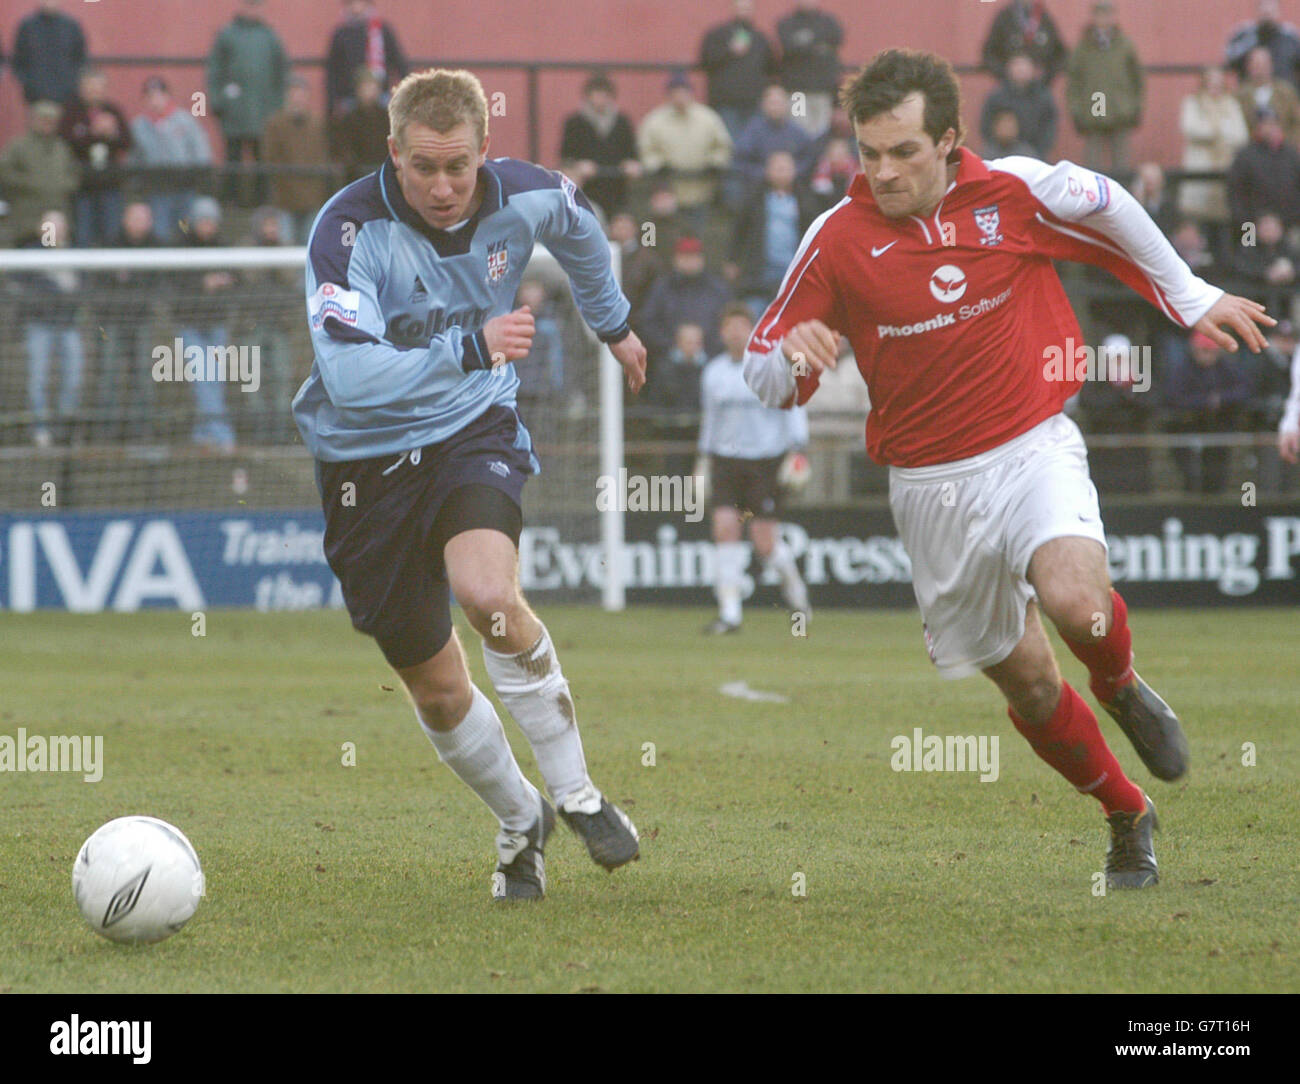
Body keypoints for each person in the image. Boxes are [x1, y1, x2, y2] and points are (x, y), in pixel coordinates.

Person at [742, 48, 1274, 888]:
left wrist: (1191, 294)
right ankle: (1126, 811)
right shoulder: (835, 240)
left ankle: (1123, 684)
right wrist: (794, 357)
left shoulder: (1013, 191)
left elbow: (1110, 204)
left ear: (949, 141)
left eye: (903, 152)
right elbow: (764, 373)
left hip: (1032, 444)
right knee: (1027, 685)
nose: (882, 171)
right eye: (868, 153)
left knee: (1078, 605)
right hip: (927, 489)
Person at [292, 68, 647, 901]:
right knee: (440, 689)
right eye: (424, 167)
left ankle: (579, 792)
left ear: (485, 151)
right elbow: (347, 377)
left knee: (489, 593)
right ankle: (523, 820)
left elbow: (583, 229)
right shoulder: (346, 231)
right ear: (393, 154)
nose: (444, 186)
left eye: (459, 166)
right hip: (363, 467)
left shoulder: (525, 195)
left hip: (469, 430)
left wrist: (614, 323)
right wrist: (469, 347)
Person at [699, 303, 810, 633]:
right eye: (729, 327)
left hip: (766, 460)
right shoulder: (713, 372)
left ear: (752, 330)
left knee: (764, 542)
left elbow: (793, 405)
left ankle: (797, 593)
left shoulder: (769, 367)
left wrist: (798, 449)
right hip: (725, 461)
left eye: (741, 326)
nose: (735, 333)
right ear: (721, 333)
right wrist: (703, 459)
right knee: (724, 529)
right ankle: (730, 614)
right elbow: (710, 419)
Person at [207, 0, 288, 206]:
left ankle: (262, 202)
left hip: (263, 111)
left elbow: (282, 73)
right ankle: (231, 200)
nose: (253, 9)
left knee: (262, 158)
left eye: (257, 5)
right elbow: (214, 71)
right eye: (250, 4)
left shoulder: (270, 37)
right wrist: (217, 102)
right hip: (234, 111)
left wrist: (277, 107)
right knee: (232, 158)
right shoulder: (227, 34)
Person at [177, 197, 239, 453]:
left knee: (214, 379)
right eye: (202, 220)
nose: (207, 226)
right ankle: (223, 435)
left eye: (210, 221)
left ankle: (203, 432)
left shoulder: (224, 247)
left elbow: (239, 278)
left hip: (216, 323)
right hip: (189, 323)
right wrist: (203, 284)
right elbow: (175, 285)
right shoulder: (179, 247)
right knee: (202, 378)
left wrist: (227, 282)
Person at [727, 150, 822, 314]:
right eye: (777, 168)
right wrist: (733, 260)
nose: (781, 173)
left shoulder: (805, 200)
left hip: (793, 273)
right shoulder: (754, 199)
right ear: (767, 171)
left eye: (785, 168)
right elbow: (739, 232)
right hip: (759, 275)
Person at [96, 201, 161, 441]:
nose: (139, 223)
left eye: (144, 218)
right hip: (112, 320)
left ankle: (143, 430)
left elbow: (156, 283)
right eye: (135, 218)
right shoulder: (109, 244)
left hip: (141, 320)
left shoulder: (156, 246)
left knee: (143, 376)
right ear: (125, 219)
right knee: (109, 375)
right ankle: (106, 430)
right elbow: (100, 282)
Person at [20, 210, 83, 448]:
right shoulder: (30, 254)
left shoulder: (76, 252)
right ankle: (40, 428)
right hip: (39, 326)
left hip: (68, 324)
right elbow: (29, 286)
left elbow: (82, 285)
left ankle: (65, 427)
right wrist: (57, 289)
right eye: (49, 226)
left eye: (59, 226)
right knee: (38, 378)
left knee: (73, 377)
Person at [1162, 332, 1255, 494]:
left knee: (1218, 473)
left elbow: (1244, 390)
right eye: (1203, 351)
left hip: (1218, 427)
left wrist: (1220, 399)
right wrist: (1204, 402)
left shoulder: (1225, 367)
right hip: (1188, 427)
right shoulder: (1182, 368)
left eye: (1211, 351)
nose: (1208, 356)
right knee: (1190, 476)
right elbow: (1174, 397)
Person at [637, 71, 733, 226]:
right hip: (668, 194)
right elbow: (646, 150)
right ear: (668, 95)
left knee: (698, 241)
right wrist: (658, 165)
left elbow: (723, 146)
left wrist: (715, 163)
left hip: (702, 192)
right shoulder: (654, 121)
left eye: (684, 92)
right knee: (668, 240)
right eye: (675, 93)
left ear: (691, 93)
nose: (680, 97)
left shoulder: (708, 118)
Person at [1065, 1, 1144, 179]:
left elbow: (1138, 80)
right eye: (1100, 15)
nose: (1104, 19)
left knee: (1122, 167)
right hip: (1093, 112)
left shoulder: (1125, 45)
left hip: (1120, 113)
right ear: (1093, 18)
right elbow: (1073, 82)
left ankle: (1121, 202)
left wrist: (1134, 107)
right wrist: (1077, 111)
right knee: (1092, 167)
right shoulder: (1083, 47)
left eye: (1108, 14)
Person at [129, 76, 213, 242]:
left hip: (184, 186)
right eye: (149, 97)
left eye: (158, 95)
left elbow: (200, 149)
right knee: (161, 231)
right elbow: (134, 157)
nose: (154, 101)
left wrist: (198, 174)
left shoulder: (185, 120)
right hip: (157, 188)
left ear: (167, 96)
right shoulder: (139, 125)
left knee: (184, 226)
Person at [59, 68, 133, 248]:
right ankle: (84, 276)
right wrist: (93, 133)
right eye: (90, 88)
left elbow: (128, 142)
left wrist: (112, 133)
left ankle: (110, 276)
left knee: (112, 235)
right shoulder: (72, 112)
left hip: (110, 185)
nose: (94, 93)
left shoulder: (113, 111)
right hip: (82, 185)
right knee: (83, 235)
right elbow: (65, 141)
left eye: (98, 88)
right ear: (82, 89)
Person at [637, 235, 733, 364]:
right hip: (667, 360)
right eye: (685, 256)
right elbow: (648, 322)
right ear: (675, 259)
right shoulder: (662, 287)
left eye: (694, 256)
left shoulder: (718, 289)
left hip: (712, 359)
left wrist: (703, 346)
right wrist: (674, 344)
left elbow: (728, 323)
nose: (689, 261)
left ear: (702, 259)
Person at [558, 72, 640, 217]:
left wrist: (630, 165)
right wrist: (578, 166)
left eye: (604, 94)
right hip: (586, 189)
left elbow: (632, 153)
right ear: (588, 96)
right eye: (596, 93)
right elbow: (565, 156)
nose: (600, 98)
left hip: (617, 188)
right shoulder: (574, 122)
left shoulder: (622, 122)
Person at [0, 100, 80, 246]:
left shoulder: (61, 148)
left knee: (52, 236)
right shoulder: (19, 146)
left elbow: (74, 173)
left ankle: (53, 260)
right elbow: (5, 173)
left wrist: (64, 184)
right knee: (41, 242)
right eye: (43, 119)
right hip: (27, 214)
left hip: (58, 210)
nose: (47, 124)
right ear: (33, 120)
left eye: (51, 120)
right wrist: (30, 183)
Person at [263, 75, 333, 243]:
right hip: (285, 199)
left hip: (314, 197)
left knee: (311, 246)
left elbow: (326, 156)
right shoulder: (275, 124)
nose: (297, 100)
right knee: (286, 248)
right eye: (294, 95)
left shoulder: (319, 124)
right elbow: (270, 158)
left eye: (301, 95)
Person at [1178, 66, 1249, 225]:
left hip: (1225, 167)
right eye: (1211, 81)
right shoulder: (1193, 102)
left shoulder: (1231, 104)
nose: (1215, 86)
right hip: (1200, 167)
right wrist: (1218, 132)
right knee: (1197, 218)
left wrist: (1218, 134)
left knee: (1224, 218)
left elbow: (1241, 135)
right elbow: (1190, 128)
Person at [698, 0, 777, 141]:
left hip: (754, 103)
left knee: (753, 145)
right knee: (729, 145)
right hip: (726, 104)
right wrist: (729, 51)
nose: (744, 12)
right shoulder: (717, 35)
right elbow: (705, 61)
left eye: (747, 8)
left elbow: (771, 68)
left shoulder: (760, 38)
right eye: (740, 8)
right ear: (732, 9)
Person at [727, 83, 817, 207]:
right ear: (763, 105)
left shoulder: (797, 132)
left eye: (779, 103)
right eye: (772, 103)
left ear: (787, 105)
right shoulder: (752, 131)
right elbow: (740, 161)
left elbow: (809, 159)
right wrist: (766, 174)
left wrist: (792, 172)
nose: (775, 107)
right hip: (759, 191)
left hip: (794, 190)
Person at [325, 0, 409, 118]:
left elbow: (399, 63)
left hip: (381, 96)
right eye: (352, 3)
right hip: (350, 98)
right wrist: (332, 103)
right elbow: (332, 71)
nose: (356, 7)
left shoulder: (382, 30)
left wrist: (407, 93)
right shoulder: (340, 34)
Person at [776, 1, 844, 137]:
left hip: (822, 91)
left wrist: (803, 43)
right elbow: (789, 47)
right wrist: (817, 46)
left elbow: (837, 39)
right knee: (796, 128)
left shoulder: (828, 22)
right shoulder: (787, 23)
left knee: (821, 131)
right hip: (796, 92)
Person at [1227, 107, 1300, 229]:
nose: (1271, 129)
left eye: (1274, 124)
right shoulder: (1245, 156)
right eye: (1266, 124)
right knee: (1248, 244)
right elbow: (1235, 194)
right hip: (1250, 225)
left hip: (1289, 224)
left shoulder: (1292, 155)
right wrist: (1253, 223)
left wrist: (1284, 222)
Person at [979, 52, 1058, 160]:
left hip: (1035, 153)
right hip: (999, 153)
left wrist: (1040, 150)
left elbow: (1050, 125)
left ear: (1033, 69)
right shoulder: (997, 96)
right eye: (1017, 65)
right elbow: (985, 123)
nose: (1021, 70)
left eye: (1025, 65)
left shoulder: (1043, 97)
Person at [10, 0, 85, 105]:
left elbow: (81, 58)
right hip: (35, 97)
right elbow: (18, 60)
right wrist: (29, 84)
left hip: (68, 97)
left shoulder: (72, 26)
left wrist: (72, 82)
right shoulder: (27, 26)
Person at [981, 0, 1068, 85]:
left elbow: (1061, 54)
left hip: (1040, 90)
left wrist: (1045, 75)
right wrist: (1006, 72)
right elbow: (988, 53)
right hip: (1008, 91)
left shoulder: (1044, 18)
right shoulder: (1004, 17)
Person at [330, 68, 391, 182]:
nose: (369, 91)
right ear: (357, 90)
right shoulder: (348, 118)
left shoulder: (387, 118)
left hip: (383, 175)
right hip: (356, 177)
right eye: (365, 86)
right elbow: (342, 146)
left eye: (373, 86)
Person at [1226, 0, 1300, 91]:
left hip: (1283, 96)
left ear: (1278, 11)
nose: (1267, 12)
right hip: (1249, 95)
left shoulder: (1290, 37)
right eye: (1264, 8)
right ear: (1257, 10)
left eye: (1271, 8)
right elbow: (1230, 61)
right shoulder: (1244, 35)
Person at [1235, 47, 1300, 145]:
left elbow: (1296, 122)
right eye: (1256, 65)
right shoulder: (1240, 95)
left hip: (1284, 149)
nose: (1260, 69)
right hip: (1251, 150)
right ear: (1248, 67)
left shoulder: (1286, 92)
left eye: (1264, 64)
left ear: (1271, 65)